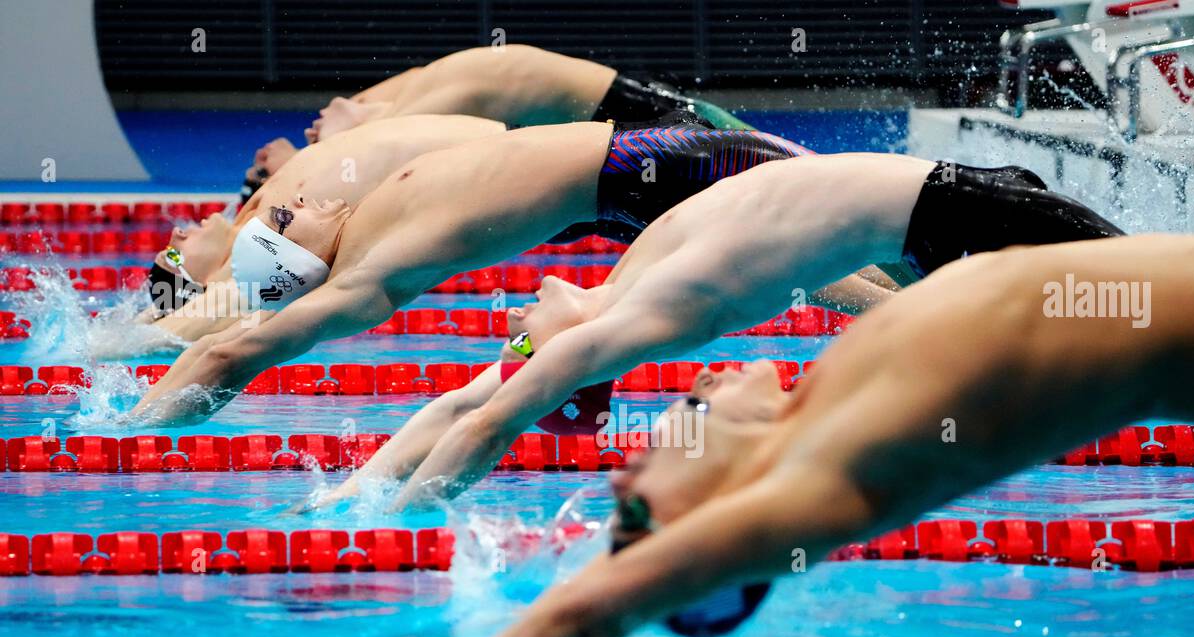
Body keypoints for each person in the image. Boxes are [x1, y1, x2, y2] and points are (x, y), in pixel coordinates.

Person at [362, 219, 1194, 637]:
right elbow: (581, 616)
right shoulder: (837, 466)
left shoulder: (826, 396)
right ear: (723, 515)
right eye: (636, 513)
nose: (618, 476)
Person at [305, 153, 1123, 512]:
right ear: (565, 364)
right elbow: (489, 421)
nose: (511, 321)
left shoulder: (622, 286)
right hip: (964, 220)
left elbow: (463, 403)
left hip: (956, 213)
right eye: (519, 343)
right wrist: (402, 523)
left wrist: (353, 493)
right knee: (1188, 298)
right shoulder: (633, 319)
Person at [127, 117, 889, 425]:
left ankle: (916, 289)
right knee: (841, 224)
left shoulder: (352, 207)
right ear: (308, 268)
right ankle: (925, 294)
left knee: (841, 225)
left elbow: (216, 313)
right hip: (641, 167)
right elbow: (228, 353)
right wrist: (132, 429)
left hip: (628, 167)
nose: (302, 202)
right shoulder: (365, 280)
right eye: (290, 224)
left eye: (281, 213)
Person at [123, 115, 504, 358]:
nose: (175, 234)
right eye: (173, 256)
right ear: (202, 283)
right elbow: (170, 332)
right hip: (501, 157)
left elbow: (161, 314)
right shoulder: (243, 276)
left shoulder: (252, 222)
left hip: (500, 137)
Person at [239, 44, 752, 200]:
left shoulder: (428, 98)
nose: (312, 132)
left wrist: (294, 167)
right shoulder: (412, 92)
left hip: (681, 128)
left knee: (783, 190)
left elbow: (348, 170)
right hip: (663, 128)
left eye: (318, 143)